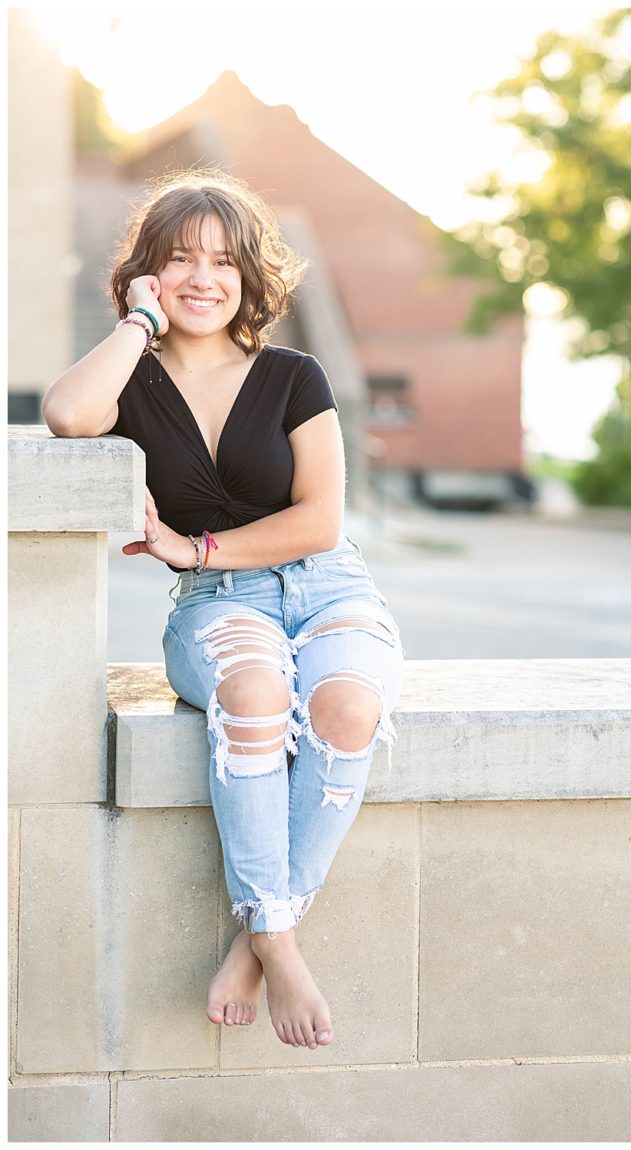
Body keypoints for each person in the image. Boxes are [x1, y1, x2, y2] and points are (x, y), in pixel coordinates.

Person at [43, 170, 404, 1051]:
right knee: (252, 695)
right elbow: (67, 415)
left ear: (249, 276)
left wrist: (193, 544)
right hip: (218, 606)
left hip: (329, 587)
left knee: (347, 708)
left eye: (224, 261)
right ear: (147, 273)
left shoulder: (293, 376)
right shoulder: (131, 380)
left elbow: (320, 521)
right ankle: (279, 941)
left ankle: (260, 938)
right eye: (180, 260)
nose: (203, 278)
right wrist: (138, 323)